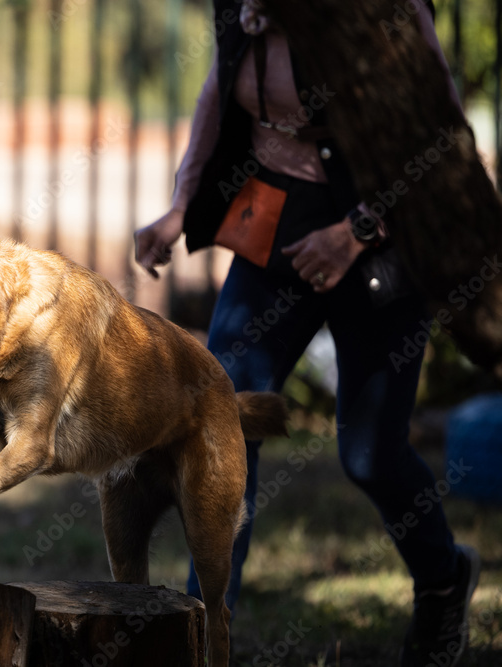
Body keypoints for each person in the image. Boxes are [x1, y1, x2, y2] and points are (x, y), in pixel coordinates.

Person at [133, 1, 479, 665]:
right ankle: (208, 626)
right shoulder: (243, 8)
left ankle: (443, 577)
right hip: (276, 229)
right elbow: (218, 87)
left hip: (381, 240)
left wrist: (357, 231)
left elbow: (439, 128)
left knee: (370, 454)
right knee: (224, 414)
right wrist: (181, 205)